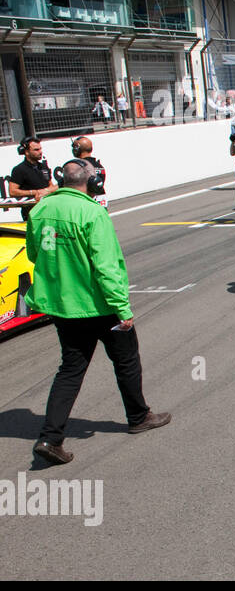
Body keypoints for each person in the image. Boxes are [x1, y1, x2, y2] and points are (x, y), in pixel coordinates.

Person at [25, 159, 171, 465]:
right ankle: (138, 416)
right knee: (126, 359)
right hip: (99, 306)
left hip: (63, 306)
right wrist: (122, 307)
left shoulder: (40, 211)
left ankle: (50, 437)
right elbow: (106, 267)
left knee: (70, 369)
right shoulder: (92, 213)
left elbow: (35, 253)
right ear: (92, 184)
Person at [8, 137, 57, 221]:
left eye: (40, 149)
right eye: (36, 150)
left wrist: (47, 191)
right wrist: (35, 192)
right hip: (32, 212)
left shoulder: (43, 167)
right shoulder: (19, 169)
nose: (40, 152)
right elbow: (12, 191)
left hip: (48, 210)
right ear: (26, 152)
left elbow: (51, 186)